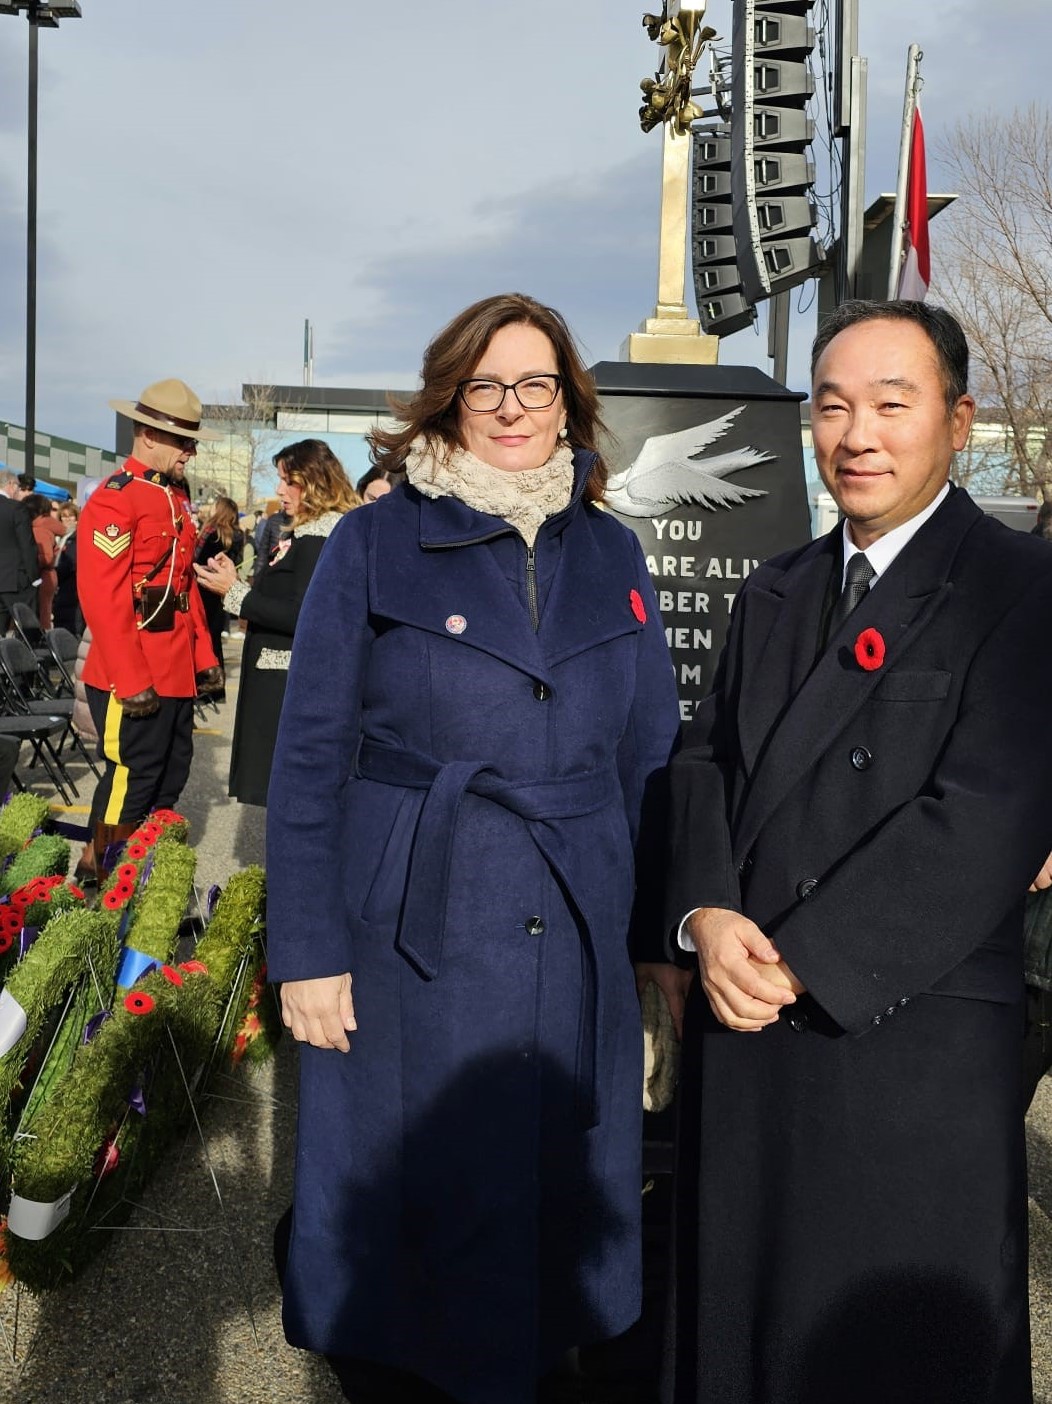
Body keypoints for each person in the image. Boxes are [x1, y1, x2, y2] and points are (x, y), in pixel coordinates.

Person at [264, 293, 681, 1404]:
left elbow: (650, 753)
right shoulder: (371, 539)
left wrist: (651, 943)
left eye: (535, 385)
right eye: (486, 385)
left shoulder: (614, 550)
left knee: (546, 1222)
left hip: (575, 921)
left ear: (567, 404)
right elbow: (308, 756)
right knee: (414, 1218)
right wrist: (304, 948)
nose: (511, 408)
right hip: (410, 926)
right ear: (450, 395)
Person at [658, 301, 1052, 1404]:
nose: (856, 433)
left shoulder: (1018, 588)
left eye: (891, 402)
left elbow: (983, 811)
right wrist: (702, 916)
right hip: (746, 1025)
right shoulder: (772, 587)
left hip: (899, 1038)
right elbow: (704, 764)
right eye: (831, 406)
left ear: (957, 420)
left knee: (885, 1353)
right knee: (745, 1335)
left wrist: (796, 961)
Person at [77, 378, 223, 877]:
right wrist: (131, 678)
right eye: (183, 442)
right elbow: (104, 597)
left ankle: (136, 877)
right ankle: (96, 884)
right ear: (148, 435)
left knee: (170, 778)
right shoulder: (116, 498)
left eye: (191, 443)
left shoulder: (173, 497)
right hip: (132, 672)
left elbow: (183, 591)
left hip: (174, 667)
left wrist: (203, 659)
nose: (190, 454)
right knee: (131, 783)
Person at [195, 440, 359, 807]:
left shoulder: (320, 537)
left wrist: (235, 596)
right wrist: (235, 585)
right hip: (280, 681)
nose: (279, 490)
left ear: (315, 482)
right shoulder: (308, 532)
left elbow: (307, 615)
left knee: (295, 804)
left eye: (289, 481)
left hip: (290, 688)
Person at [193, 496, 244, 687]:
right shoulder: (236, 534)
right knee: (214, 636)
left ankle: (204, 679)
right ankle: (217, 680)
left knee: (202, 634)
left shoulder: (210, 531)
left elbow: (196, 558)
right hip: (222, 587)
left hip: (202, 585)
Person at [0, 471, 38, 635]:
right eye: (17, 486)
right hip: (15, 579)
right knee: (27, 629)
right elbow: (27, 545)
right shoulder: (16, 508)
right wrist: (34, 577)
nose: (17, 491)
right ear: (10, 485)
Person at [23, 492, 63, 628]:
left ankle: (40, 642)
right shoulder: (46, 526)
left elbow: (46, 557)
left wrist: (26, 561)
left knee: (41, 614)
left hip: (42, 577)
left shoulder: (39, 530)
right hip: (47, 576)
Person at [52, 500, 81, 634]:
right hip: (60, 590)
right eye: (64, 516)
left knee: (68, 626)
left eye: (71, 516)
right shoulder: (60, 537)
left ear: (76, 518)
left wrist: (53, 575)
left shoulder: (76, 537)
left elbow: (71, 563)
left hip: (70, 588)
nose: (67, 519)